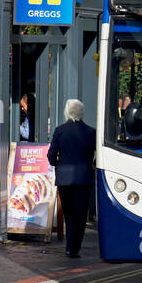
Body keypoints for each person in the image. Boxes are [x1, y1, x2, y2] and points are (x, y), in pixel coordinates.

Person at [47, 99, 97, 259]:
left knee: (69, 214)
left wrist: (57, 164)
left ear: (66, 112)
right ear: (81, 113)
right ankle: (73, 249)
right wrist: (93, 163)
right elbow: (99, 155)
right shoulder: (91, 132)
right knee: (80, 215)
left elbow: (51, 155)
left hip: (65, 178)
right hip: (83, 178)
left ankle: (69, 246)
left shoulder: (60, 130)